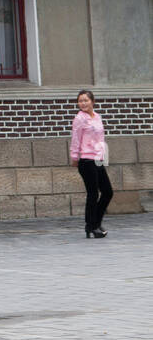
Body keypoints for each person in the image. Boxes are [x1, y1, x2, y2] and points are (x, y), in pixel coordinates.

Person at [70, 89, 112, 238]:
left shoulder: (97, 117)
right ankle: (90, 226)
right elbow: (76, 138)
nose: (83, 103)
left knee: (108, 192)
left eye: (85, 100)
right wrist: (75, 157)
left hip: (98, 159)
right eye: (80, 101)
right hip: (86, 160)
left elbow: (101, 138)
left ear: (93, 102)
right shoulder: (80, 119)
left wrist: (103, 156)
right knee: (93, 194)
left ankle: (96, 222)